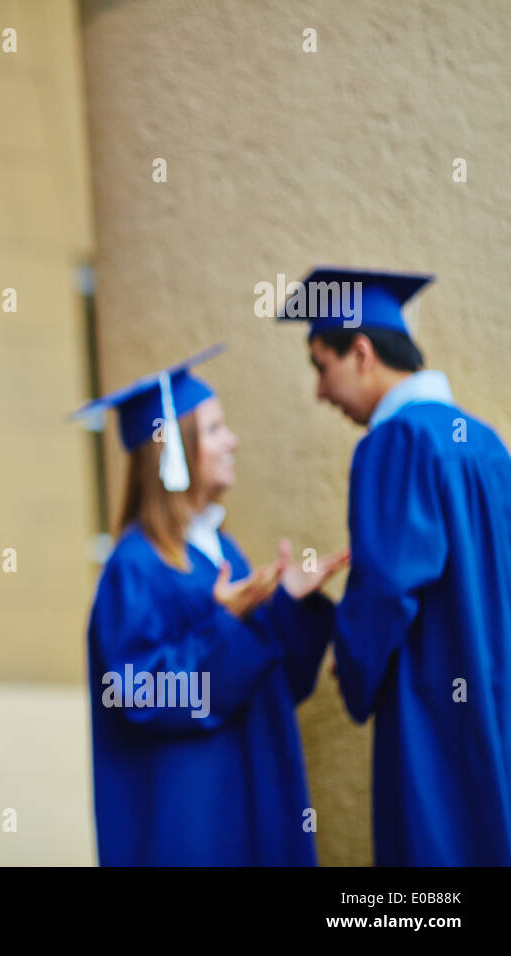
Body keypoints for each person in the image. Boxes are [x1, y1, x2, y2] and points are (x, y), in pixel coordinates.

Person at [73, 346, 348, 865]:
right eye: (217, 429)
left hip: (249, 793)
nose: (233, 441)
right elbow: (141, 694)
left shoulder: (219, 551)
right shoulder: (134, 568)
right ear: (174, 449)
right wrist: (226, 624)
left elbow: (268, 681)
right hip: (192, 813)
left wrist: (291, 603)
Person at [279, 266, 511, 865]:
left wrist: (351, 663)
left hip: (433, 712)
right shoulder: (485, 444)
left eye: (320, 366)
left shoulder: (395, 442)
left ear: (360, 353)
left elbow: (386, 586)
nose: (320, 393)